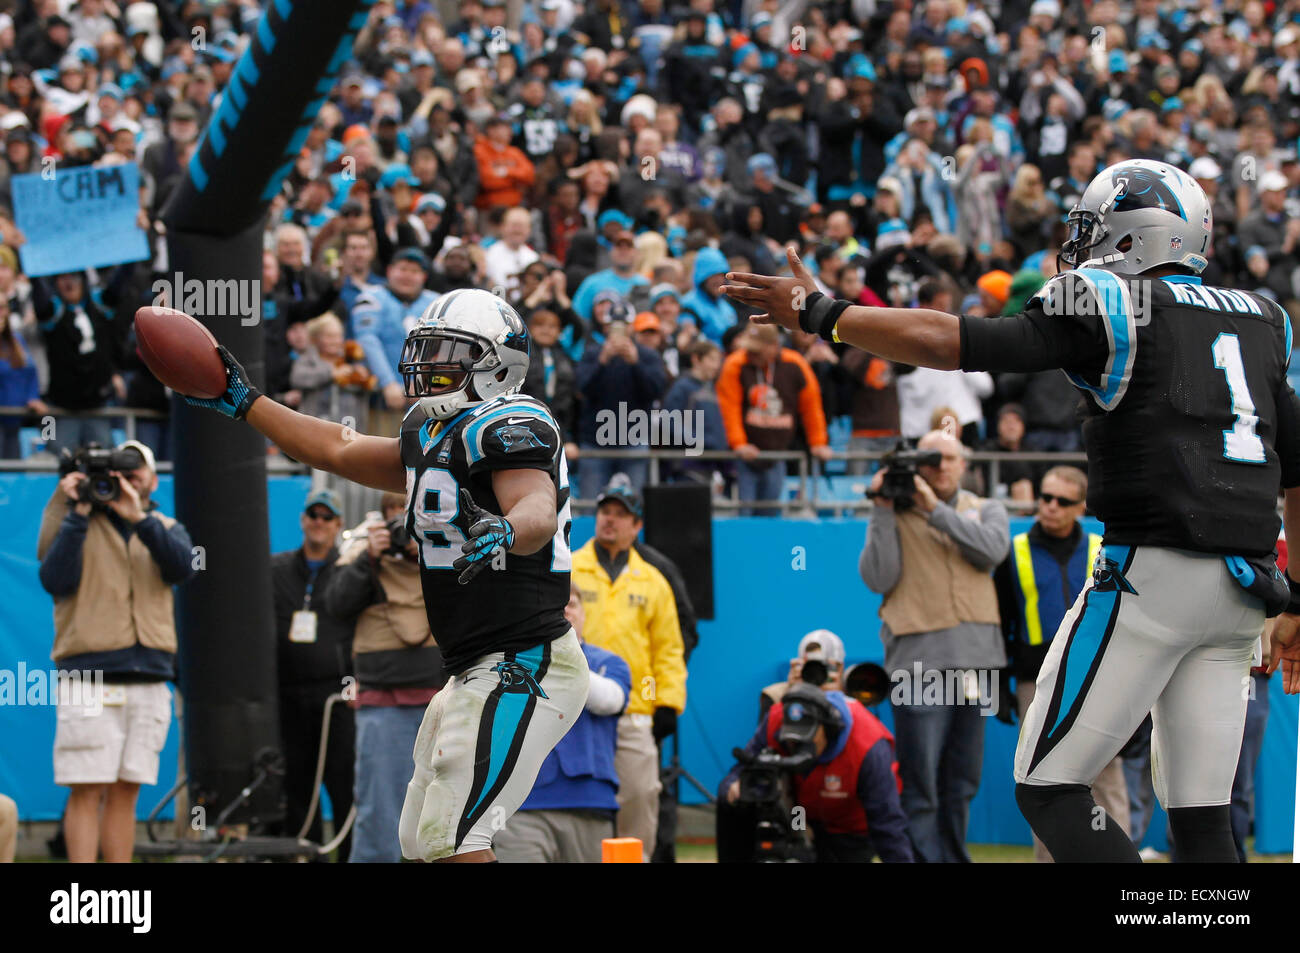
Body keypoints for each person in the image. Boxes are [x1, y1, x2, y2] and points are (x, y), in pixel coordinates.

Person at [723, 158, 1300, 863]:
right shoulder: (1263, 318)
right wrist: (1295, 597)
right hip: (1246, 590)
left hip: (1153, 572)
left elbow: (957, 342)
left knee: (1048, 785)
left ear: (1134, 235)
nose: (1081, 245)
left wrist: (824, 316)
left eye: (1093, 230)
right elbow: (1295, 468)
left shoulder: (1109, 301)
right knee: (1205, 818)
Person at [184, 288, 587, 863]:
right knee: (418, 845)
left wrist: (505, 529)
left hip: (524, 659)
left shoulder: (511, 420)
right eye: (427, 349)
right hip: (473, 665)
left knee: (452, 839)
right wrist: (247, 401)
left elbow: (536, 507)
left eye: (450, 351)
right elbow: (339, 447)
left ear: (499, 365)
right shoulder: (430, 432)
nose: (431, 364)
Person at [853, 428, 1010, 862]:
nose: (940, 466)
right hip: (917, 664)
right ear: (917, 466)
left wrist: (934, 510)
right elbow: (877, 578)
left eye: (948, 458)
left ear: (964, 464)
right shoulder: (895, 515)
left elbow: (992, 551)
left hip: (980, 664)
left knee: (962, 783)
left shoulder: (987, 508)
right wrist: (883, 511)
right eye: (931, 459)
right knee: (921, 783)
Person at [36, 440, 195, 862]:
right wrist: (78, 511)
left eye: (134, 469)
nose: (124, 479)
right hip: (88, 675)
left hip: (149, 676)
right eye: (117, 471)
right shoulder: (73, 515)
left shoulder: (163, 523)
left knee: (127, 790)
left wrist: (138, 518)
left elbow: (182, 568)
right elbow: (54, 578)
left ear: (153, 479)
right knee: (87, 788)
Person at [993, 466, 1130, 862]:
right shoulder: (1014, 550)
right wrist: (1000, 681)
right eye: (1045, 497)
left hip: (1097, 679)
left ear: (1080, 507)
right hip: (1034, 682)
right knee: (1041, 781)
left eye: (1062, 501)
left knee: (1106, 778)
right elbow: (1001, 621)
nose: (1050, 507)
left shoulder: (1102, 549)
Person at [715, 631, 913, 864]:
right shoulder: (777, 715)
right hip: (799, 817)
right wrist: (733, 787)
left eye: (805, 740)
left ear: (827, 730)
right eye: (791, 739)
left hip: (847, 829)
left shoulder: (868, 743)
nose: (795, 746)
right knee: (734, 802)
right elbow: (739, 770)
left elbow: (888, 826)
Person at [322, 492, 441, 863]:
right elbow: (336, 605)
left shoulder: (446, 546)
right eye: (395, 515)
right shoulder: (361, 550)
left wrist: (430, 557)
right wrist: (368, 559)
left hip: (442, 702)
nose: (402, 526)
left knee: (444, 818)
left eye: (411, 513)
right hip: (382, 704)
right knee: (378, 817)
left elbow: (478, 603)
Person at [570, 480, 685, 862]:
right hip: (574, 710)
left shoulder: (654, 580)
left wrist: (664, 704)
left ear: (637, 526)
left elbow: (668, 650)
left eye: (621, 515)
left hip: (636, 710)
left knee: (639, 797)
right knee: (577, 805)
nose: (610, 521)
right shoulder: (568, 567)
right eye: (605, 512)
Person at [493, 583, 630, 863]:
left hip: (588, 804)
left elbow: (611, 701)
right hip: (517, 806)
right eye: (554, 605)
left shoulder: (610, 663)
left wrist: (555, 655)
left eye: (572, 603)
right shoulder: (503, 663)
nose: (564, 610)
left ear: (583, 613)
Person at [270, 488, 355, 860]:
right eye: (313, 515)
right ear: (303, 520)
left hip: (337, 696)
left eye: (327, 517)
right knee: (295, 786)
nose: (319, 522)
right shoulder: (275, 569)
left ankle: (350, 854)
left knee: (343, 785)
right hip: (287, 694)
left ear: (338, 524)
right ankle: (300, 855)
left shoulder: (349, 569)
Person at [715, 324, 832, 515]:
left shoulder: (795, 364)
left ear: (774, 346)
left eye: (756, 349)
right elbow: (729, 408)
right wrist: (739, 444)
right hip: (745, 457)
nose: (750, 353)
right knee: (744, 516)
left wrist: (818, 442)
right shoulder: (735, 364)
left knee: (771, 516)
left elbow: (811, 407)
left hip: (778, 455)